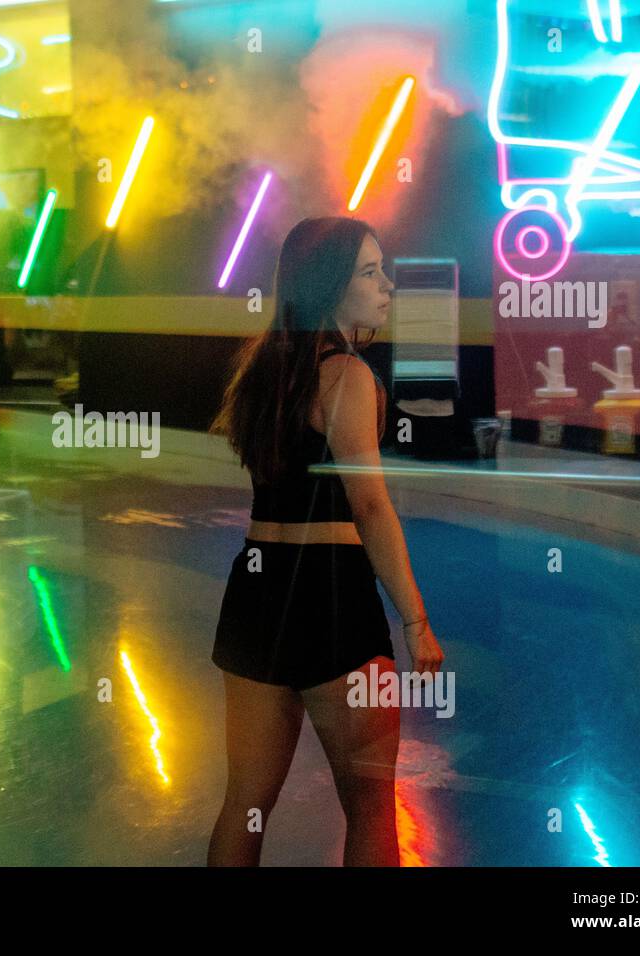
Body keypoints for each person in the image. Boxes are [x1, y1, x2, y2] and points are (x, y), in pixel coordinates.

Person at [207, 217, 444, 867]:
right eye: (369, 273)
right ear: (329, 286)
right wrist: (416, 621)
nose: (387, 285)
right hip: (331, 595)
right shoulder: (348, 376)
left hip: (256, 594)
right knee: (369, 810)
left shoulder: (264, 372)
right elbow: (369, 505)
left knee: (245, 803)